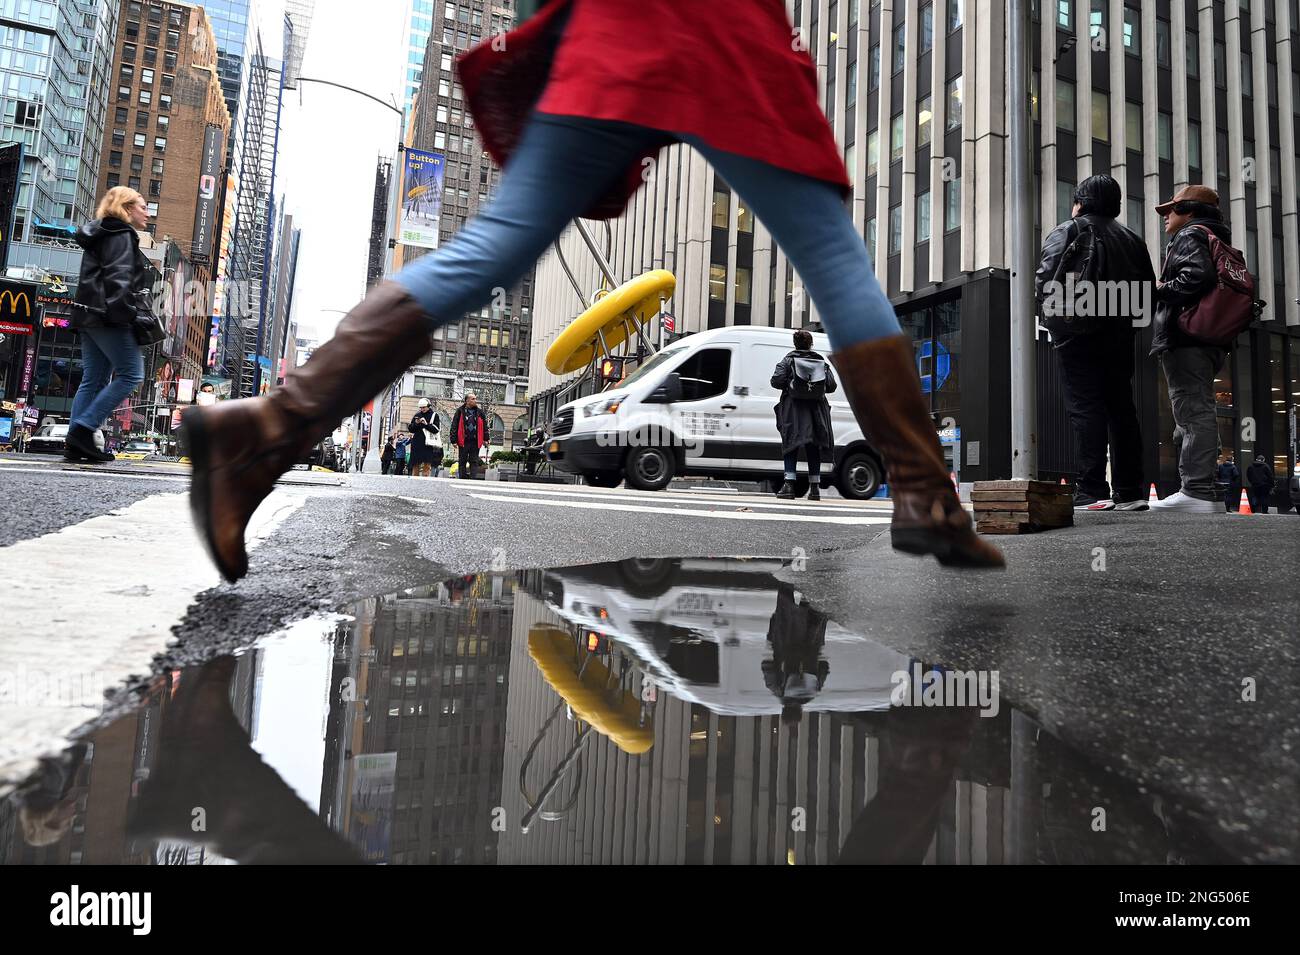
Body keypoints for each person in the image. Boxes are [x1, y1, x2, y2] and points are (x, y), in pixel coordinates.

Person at [179, 0, 1004, 582]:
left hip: (614, 33)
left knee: (492, 248)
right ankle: (926, 496)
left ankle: (265, 430)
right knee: (835, 258)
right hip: (730, 39)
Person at [1035, 174, 1154, 511]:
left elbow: (1046, 280)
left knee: (1085, 407)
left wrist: (1054, 321)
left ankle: (1092, 490)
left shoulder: (1068, 230)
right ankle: (1130, 491)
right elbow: (1148, 289)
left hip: (1078, 332)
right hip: (1119, 334)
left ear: (1080, 201)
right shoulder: (1132, 239)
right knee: (1121, 409)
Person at [1149, 186, 1233, 513]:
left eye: (1172, 209)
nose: (1166, 216)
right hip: (1211, 338)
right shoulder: (1217, 237)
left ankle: (1196, 490)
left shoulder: (1189, 235)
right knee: (1198, 408)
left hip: (1187, 337)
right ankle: (1205, 489)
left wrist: (1159, 289)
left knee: (1192, 410)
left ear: (1191, 211)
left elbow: (1194, 278)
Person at [67, 186, 151, 464]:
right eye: (141, 206)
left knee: (94, 379)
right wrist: (126, 316)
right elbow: (118, 278)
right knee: (131, 374)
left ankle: (77, 442)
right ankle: (83, 429)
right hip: (109, 316)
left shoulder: (101, 233)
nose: (146, 212)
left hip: (89, 315)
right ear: (126, 209)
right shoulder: (121, 234)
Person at [770, 329, 837, 501]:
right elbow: (831, 386)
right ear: (810, 344)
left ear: (795, 344)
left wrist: (791, 383)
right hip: (817, 409)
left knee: (791, 443)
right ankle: (814, 489)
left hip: (794, 409)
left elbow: (776, 381)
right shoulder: (820, 362)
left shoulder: (788, 360)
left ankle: (789, 485)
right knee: (813, 446)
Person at [450, 393, 487, 481]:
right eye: (473, 399)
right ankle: (462, 478)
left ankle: (473, 478)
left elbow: (485, 426)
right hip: (463, 440)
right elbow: (454, 425)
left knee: (474, 461)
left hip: (475, 440)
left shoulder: (480, 412)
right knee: (462, 460)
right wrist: (453, 440)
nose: (475, 400)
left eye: (475, 398)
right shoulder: (460, 411)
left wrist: (486, 438)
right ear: (467, 401)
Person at [408, 398, 439, 477]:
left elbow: (436, 430)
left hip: (428, 443)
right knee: (415, 464)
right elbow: (411, 429)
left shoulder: (434, 415)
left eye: (424, 407)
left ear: (428, 406)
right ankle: (415, 480)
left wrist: (426, 424)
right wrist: (416, 424)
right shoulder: (417, 415)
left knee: (427, 465)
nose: (422, 409)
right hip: (417, 442)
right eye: (421, 408)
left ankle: (425, 481)